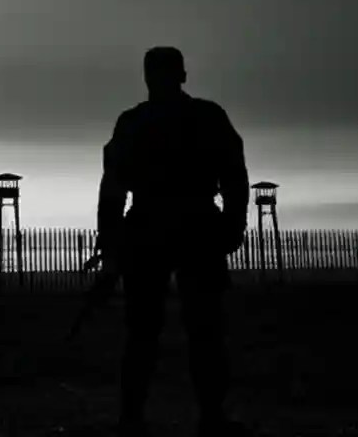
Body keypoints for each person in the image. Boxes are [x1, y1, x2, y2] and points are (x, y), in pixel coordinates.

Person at [97, 47, 250, 437]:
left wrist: (112, 250)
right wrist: (232, 225)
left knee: (157, 330)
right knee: (197, 329)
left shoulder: (135, 123)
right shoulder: (206, 117)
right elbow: (234, 176)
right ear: (182, 74)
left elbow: (112, 191)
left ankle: (138, 418)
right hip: (191, 228)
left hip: (157, 229)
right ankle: (203, 417)